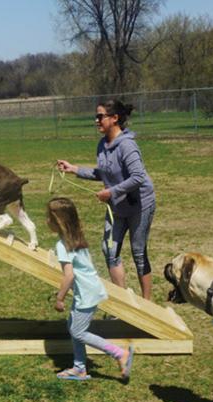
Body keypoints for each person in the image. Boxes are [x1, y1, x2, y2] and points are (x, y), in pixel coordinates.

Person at [56, 98, 157, 300]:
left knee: (138, 252)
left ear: (114, 118)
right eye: (96, 116)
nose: (96, 120)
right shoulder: (102, 145)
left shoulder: (127, 145)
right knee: (109, 250)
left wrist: (111, 192)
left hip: (140, 205)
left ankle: (148, 305)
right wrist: (74, 169)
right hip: (118, 207)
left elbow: (137, 177)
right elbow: (103, 173)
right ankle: (122, 301)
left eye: (100, 116)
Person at [47, 197, 134, 381]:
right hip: (91, 289)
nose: (46, 221)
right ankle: (79, 368)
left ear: (59, 222)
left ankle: (119, 354)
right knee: (74, 326)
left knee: (78, 331)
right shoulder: (76, 237)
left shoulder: (62, 245)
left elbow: (69, 275)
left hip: (87, 294)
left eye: (49, 218)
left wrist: (60, 298)